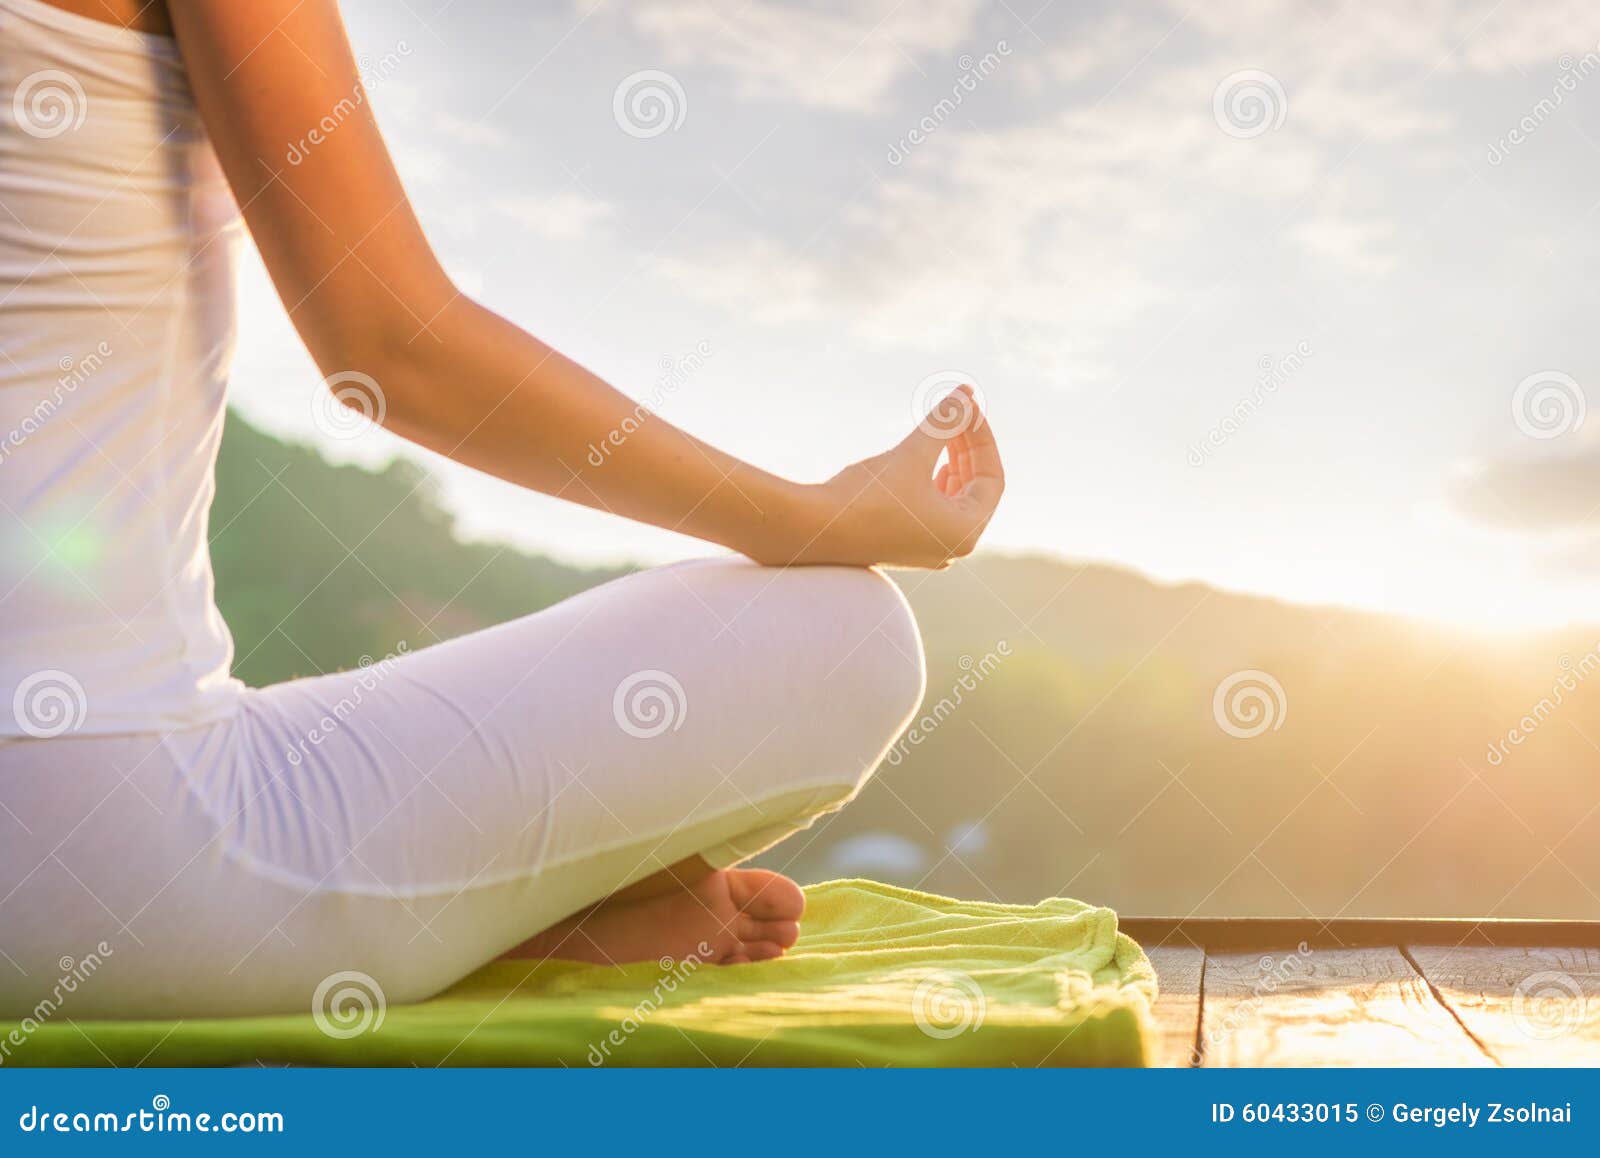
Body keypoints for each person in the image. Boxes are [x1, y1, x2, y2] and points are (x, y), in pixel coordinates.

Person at [0, 0, 1003, 1018]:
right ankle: (496, 918)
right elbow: (393, 350)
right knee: (847, 636)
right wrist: (813, 518)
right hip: (88, 849)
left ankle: (483, 913)